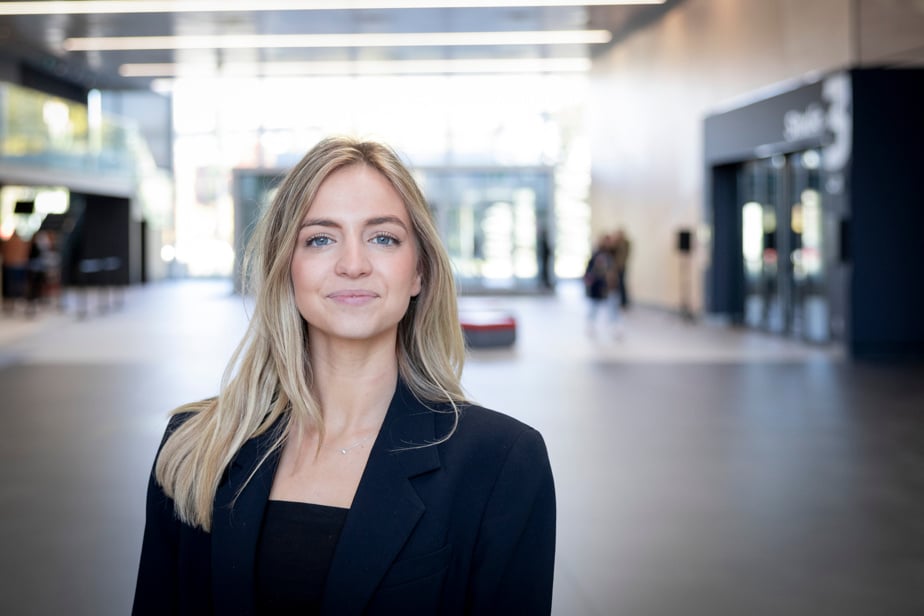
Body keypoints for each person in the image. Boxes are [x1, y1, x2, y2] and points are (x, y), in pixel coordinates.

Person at [132, 137, 556, 615]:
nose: (353, 265)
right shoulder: (198, 446)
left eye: (383, 238)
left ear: (418, 272)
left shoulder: (501, 462)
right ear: (285, 268)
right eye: (320, 238)